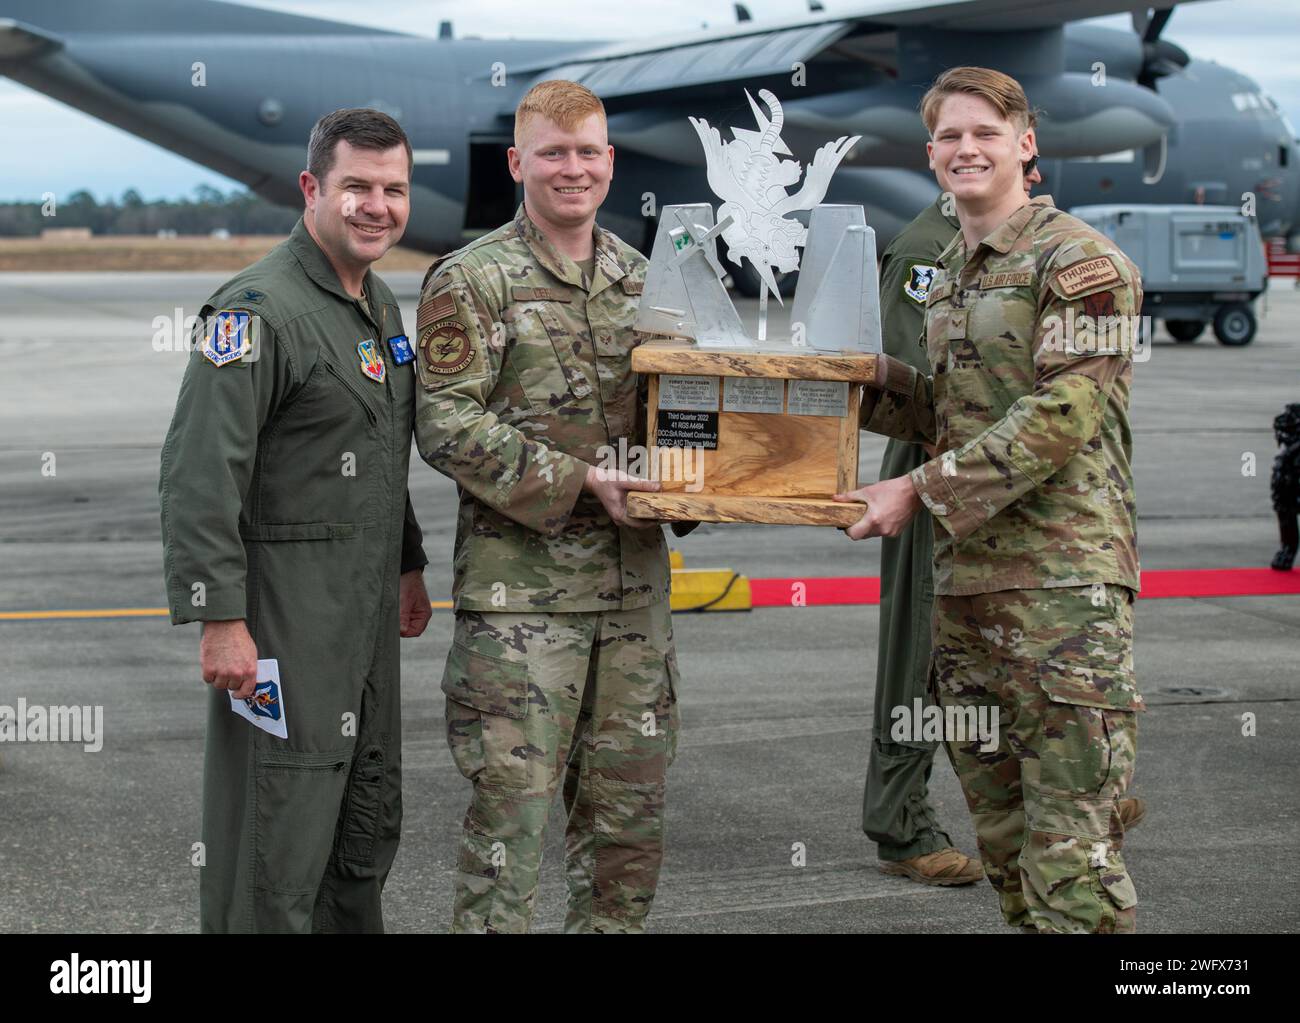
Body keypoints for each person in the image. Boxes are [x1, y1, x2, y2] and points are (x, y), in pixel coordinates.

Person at [836, 67, 1145, 933]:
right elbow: (943, 410)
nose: (965, 149)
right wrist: (840, 381)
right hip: (966, 597)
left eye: (985, 132)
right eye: (948, 136)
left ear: (1026, 144)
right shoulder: (949, 272)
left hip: (1061, 597)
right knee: (1008, 849)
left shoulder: (1083, 264)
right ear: (930, 153)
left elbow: (1062, 414)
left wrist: (917, 488)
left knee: (1072, 858)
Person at [413, 80, 677, 934]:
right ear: (517, 161)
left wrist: (705, 484)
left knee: (626, 829)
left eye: (589, 152)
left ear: (611, 161)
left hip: (634, 602)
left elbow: (685, 415)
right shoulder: (473, 279)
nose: (574, 168)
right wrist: (580, 481)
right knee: (509, 830)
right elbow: (445, 420)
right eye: (554, 152)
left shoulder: (648, 282)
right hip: (521, 605)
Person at [159, 108, 431, 933]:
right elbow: (199, 473)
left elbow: (378, 446)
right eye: (356, 187)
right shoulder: (256, 312)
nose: (376, 206)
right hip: (282, 620)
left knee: (361, 819)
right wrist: (220, 619)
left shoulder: (378, 304)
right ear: (314, 188)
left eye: (394, 190)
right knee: (275, 827)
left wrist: (408, 562)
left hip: (365, 613)